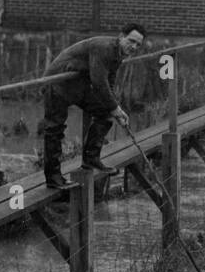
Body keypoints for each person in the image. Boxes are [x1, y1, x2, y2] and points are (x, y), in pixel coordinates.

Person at [40, 22, 146, 190]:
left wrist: (116, 109)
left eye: (138, 44)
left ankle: (91, 159)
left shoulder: (119, 53)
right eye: (131, 41)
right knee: (55, 129)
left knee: (105, 114)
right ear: (121, 37)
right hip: (57, 82)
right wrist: (115, 108)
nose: (133, 46)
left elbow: (109, 82)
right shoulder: (103, 48)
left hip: (75, 84)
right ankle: (53, 178)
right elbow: (99, 81)